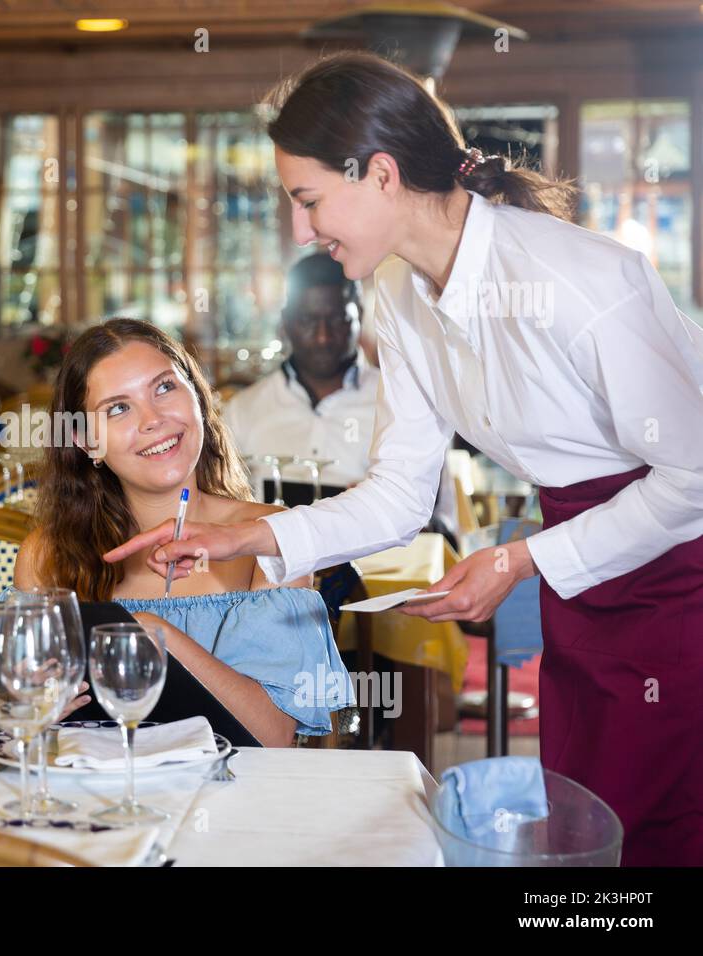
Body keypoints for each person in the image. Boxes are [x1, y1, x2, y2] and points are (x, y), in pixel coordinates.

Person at [106, 52, 703, 865]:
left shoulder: (580, 280)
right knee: (586, 826)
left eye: (310, 200)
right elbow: (397, 495)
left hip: (678, 580)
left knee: (656, 830)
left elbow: (694, 475)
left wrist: (521, 557)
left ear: (381, 175)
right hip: (587, 582)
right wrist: (244, 538)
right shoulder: (399, 292)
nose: (304, 230)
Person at [14, 318, 353, 747]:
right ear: (85, 442)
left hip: (231, 803)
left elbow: (272, 736)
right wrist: (30, 713)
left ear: (197, 396)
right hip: (93, 803)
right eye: (118, 408)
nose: (153, 419)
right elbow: (30, 734)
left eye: (164, 388)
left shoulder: (268, 537)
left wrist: (156, 634)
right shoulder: (46, 555)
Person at [225, 252, 377, 488]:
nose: (323, 337)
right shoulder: (242, 412)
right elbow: (221, 504)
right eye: (308, 321)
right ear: (286, 322)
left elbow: (439, 517)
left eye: (337, 320)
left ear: (360, 316)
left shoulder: (396, 405)